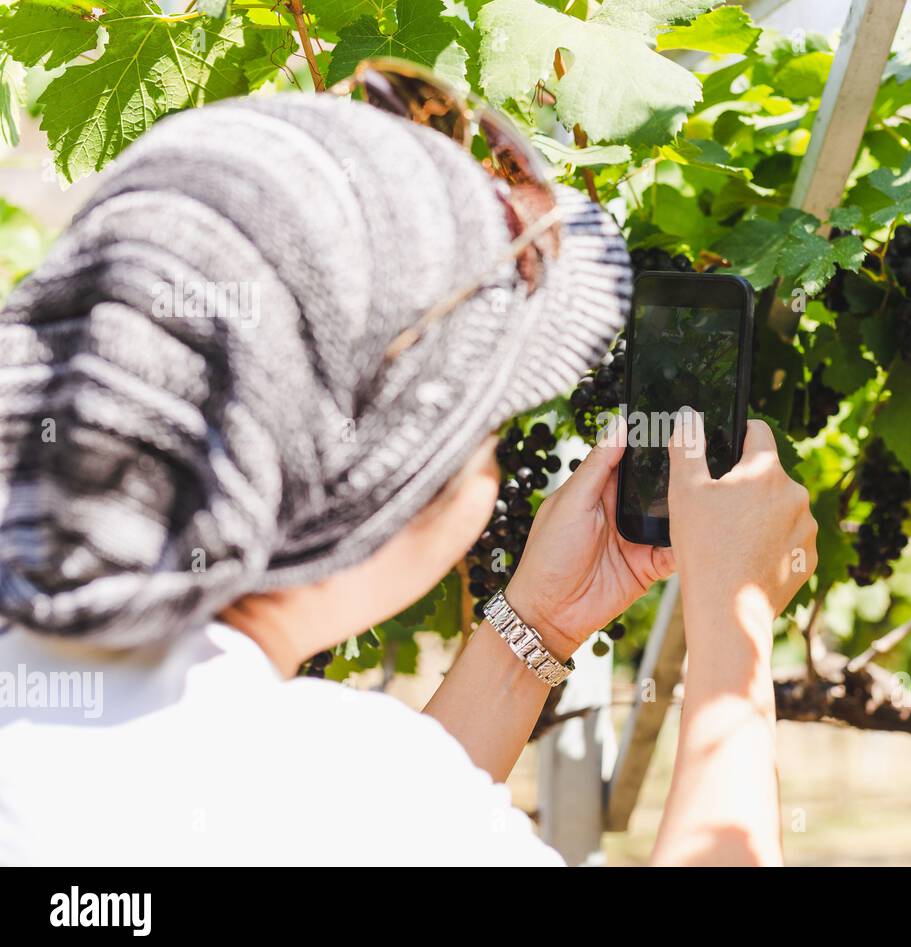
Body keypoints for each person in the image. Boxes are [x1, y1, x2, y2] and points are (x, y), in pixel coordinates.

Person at [0, 91, 817, 866]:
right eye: (482, 422)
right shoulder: (328, 782)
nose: (492, 469)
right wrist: (732, 621)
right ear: (374, 487)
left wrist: (543, 620)